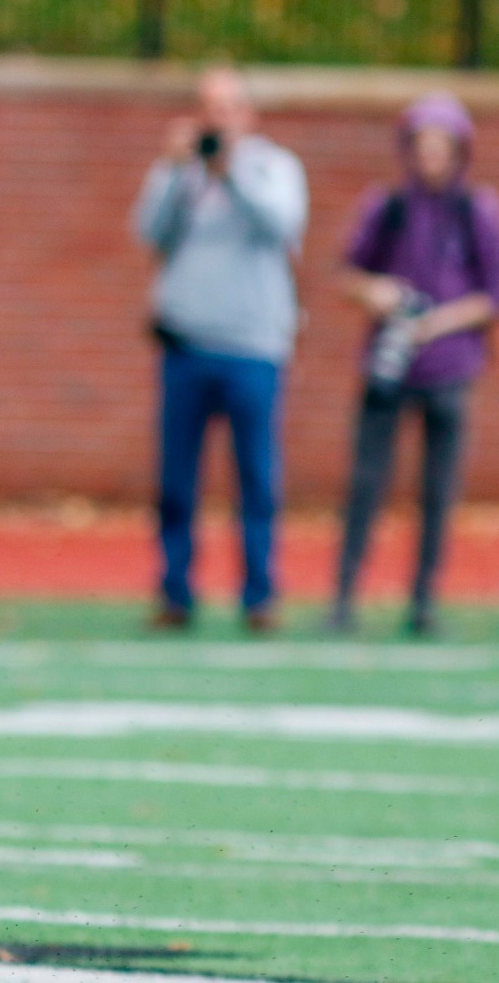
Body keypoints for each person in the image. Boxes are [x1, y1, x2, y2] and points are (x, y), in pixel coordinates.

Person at [332, 92, 499, 638]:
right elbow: (347, 274)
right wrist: (377, 293)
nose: (431, 156)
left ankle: (423, 600)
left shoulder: (477, 211)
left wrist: (439, 322)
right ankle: (345, 596)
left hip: (449, 368)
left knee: (438, 491)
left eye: (441, 145)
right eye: (423, 145)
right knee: (366, 483)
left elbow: (497, 295)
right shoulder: (387, 207)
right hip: (389, 367)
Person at [132, 69, 308, 632]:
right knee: (176, 480)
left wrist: (229, 172)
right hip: (186, 348)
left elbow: (281, 225)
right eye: (209, 107)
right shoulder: (180, 172)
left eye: (229, 107)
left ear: (248, 114)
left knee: (256, 476)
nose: (218, 118)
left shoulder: (275, 167)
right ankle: (175, 591)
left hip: (254, 348)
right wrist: (173, 170)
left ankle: (259, 594)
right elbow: (148, 232)